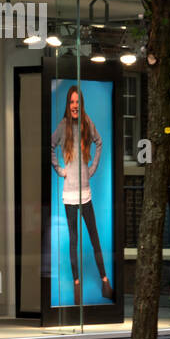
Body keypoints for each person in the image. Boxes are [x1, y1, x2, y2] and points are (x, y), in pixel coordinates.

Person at [50, 85, 112, 304]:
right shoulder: (63, 125)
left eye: (77, 102)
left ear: (81, 104)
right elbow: (50, 146)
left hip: (85, 193)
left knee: (95, 238)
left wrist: (92, 168)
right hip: (69, 194)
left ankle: (105, 280)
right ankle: (77, 284)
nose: (74, 105)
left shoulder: (86, 122)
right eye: (71, 102)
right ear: (68, 105)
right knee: (74, 241)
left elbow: (100, 142)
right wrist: (59, 170)